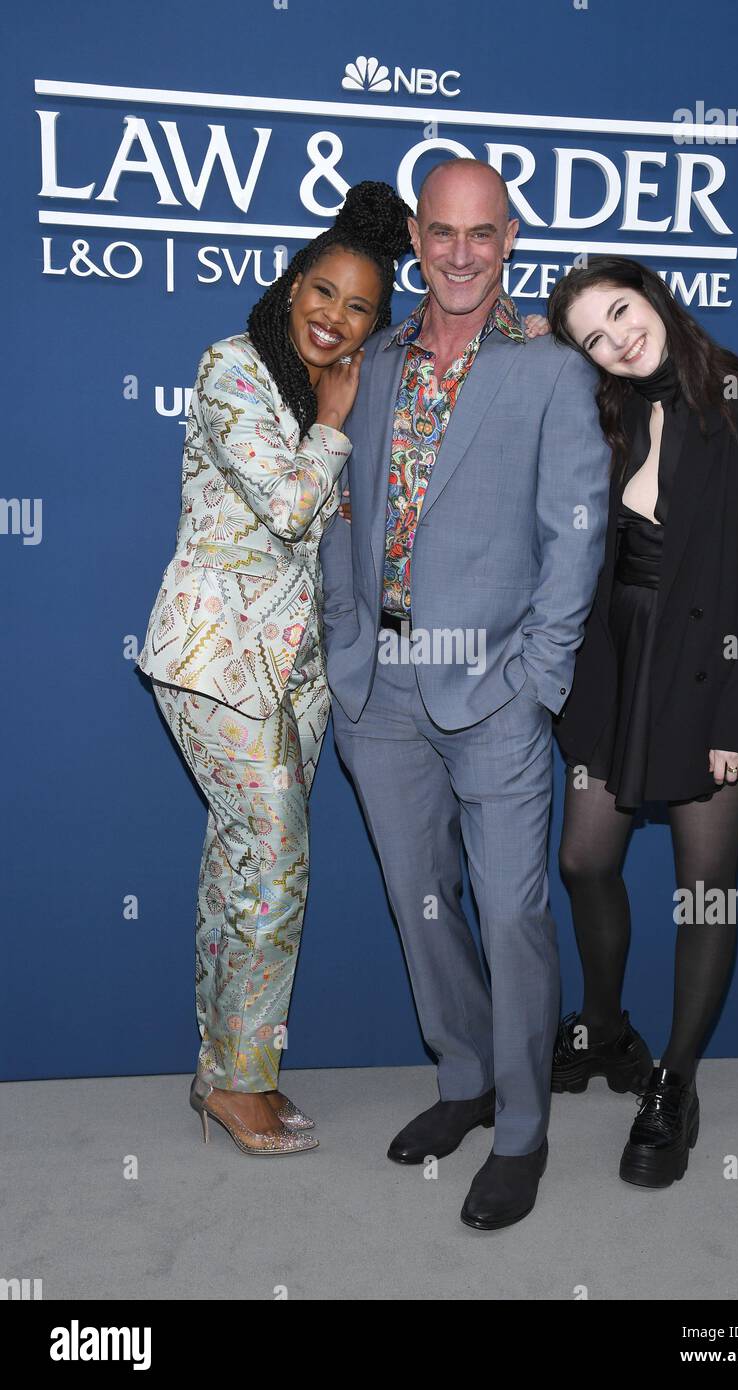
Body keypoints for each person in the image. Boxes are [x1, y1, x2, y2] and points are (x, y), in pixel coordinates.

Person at [319, 158, 610, 1229]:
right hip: (378, 689)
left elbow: (573, 539)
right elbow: (335, 502)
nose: (457, 253)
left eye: (480, 233)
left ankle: (523, 1130)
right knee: (420, 904)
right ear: (414, 233)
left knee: (515, 913)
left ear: (510, 239)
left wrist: (535, 681)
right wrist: (346, 645)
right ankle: (463, 1082)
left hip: (494, 694)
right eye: (439, 232)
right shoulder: (373, 354)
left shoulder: (549, 372)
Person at [136, 182, 412, 1155]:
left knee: (240, 863)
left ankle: (222, 1070)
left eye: (360, 307)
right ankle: (243, 1080)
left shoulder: (333, 386)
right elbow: (292, 505)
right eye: (324, 292)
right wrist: (336, 418)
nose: (335, 317)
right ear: (293, 283)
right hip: (214, 659)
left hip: (297, 673)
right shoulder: (233, 370)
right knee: (279, 860)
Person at [544, 256, 738, 1187]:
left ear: (654, 293)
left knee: (702, 889)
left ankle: (673, 1086)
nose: (618, 337)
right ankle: (605, 1027)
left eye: (621, 309)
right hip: (614, 671)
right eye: (592, 337)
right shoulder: (602, 414)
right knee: (583, 859)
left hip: (710, 678)